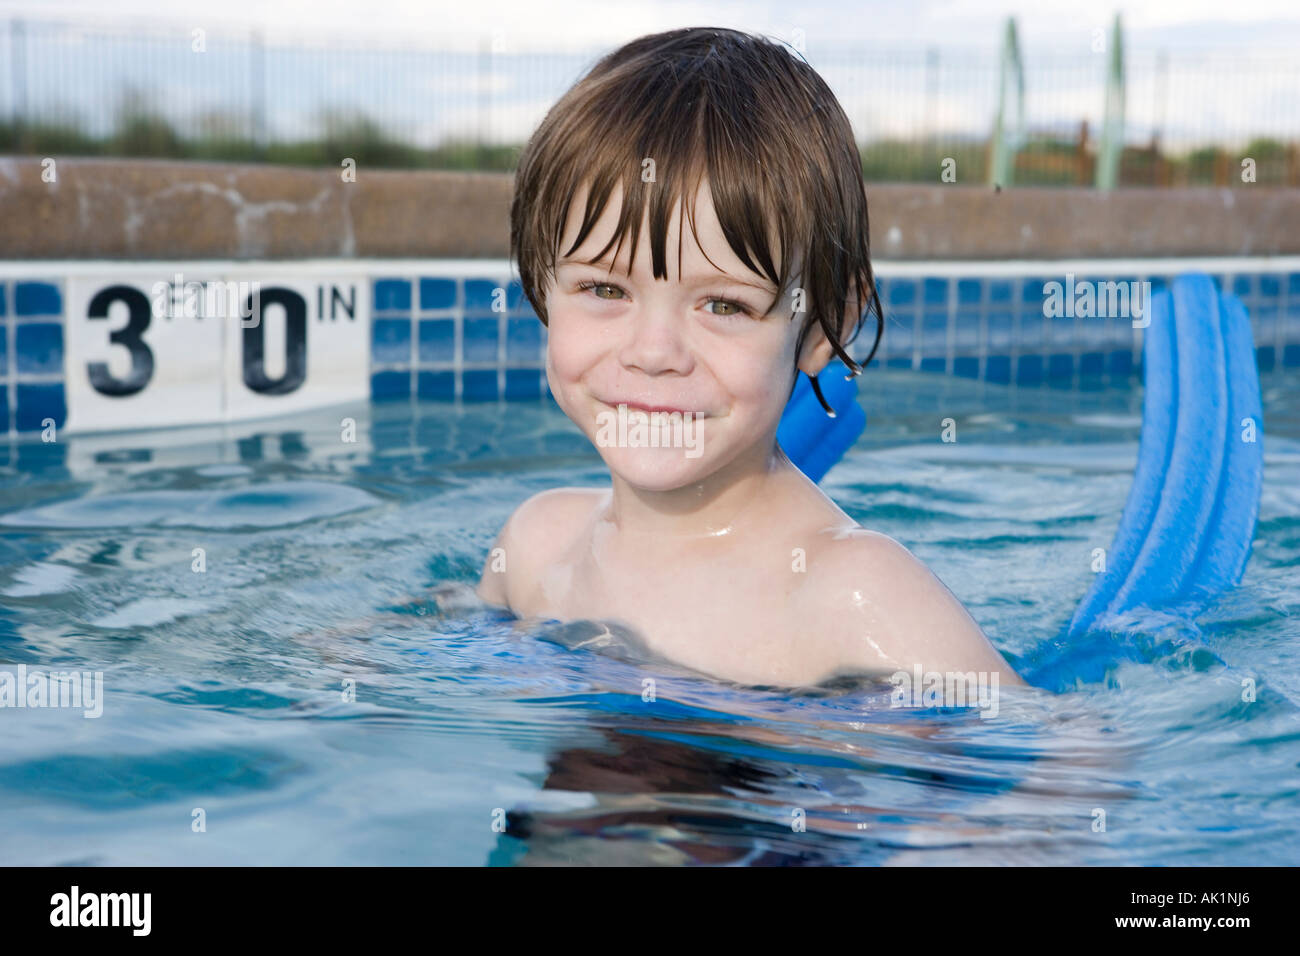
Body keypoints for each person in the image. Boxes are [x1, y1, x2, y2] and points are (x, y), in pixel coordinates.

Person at [477, 27, 1025, 690]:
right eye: (604, 289)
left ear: (824, 325)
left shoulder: (853, 597)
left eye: (724, 306)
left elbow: (1062, 763)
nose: (654, 352)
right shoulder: (535, 547)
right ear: (542, 287)